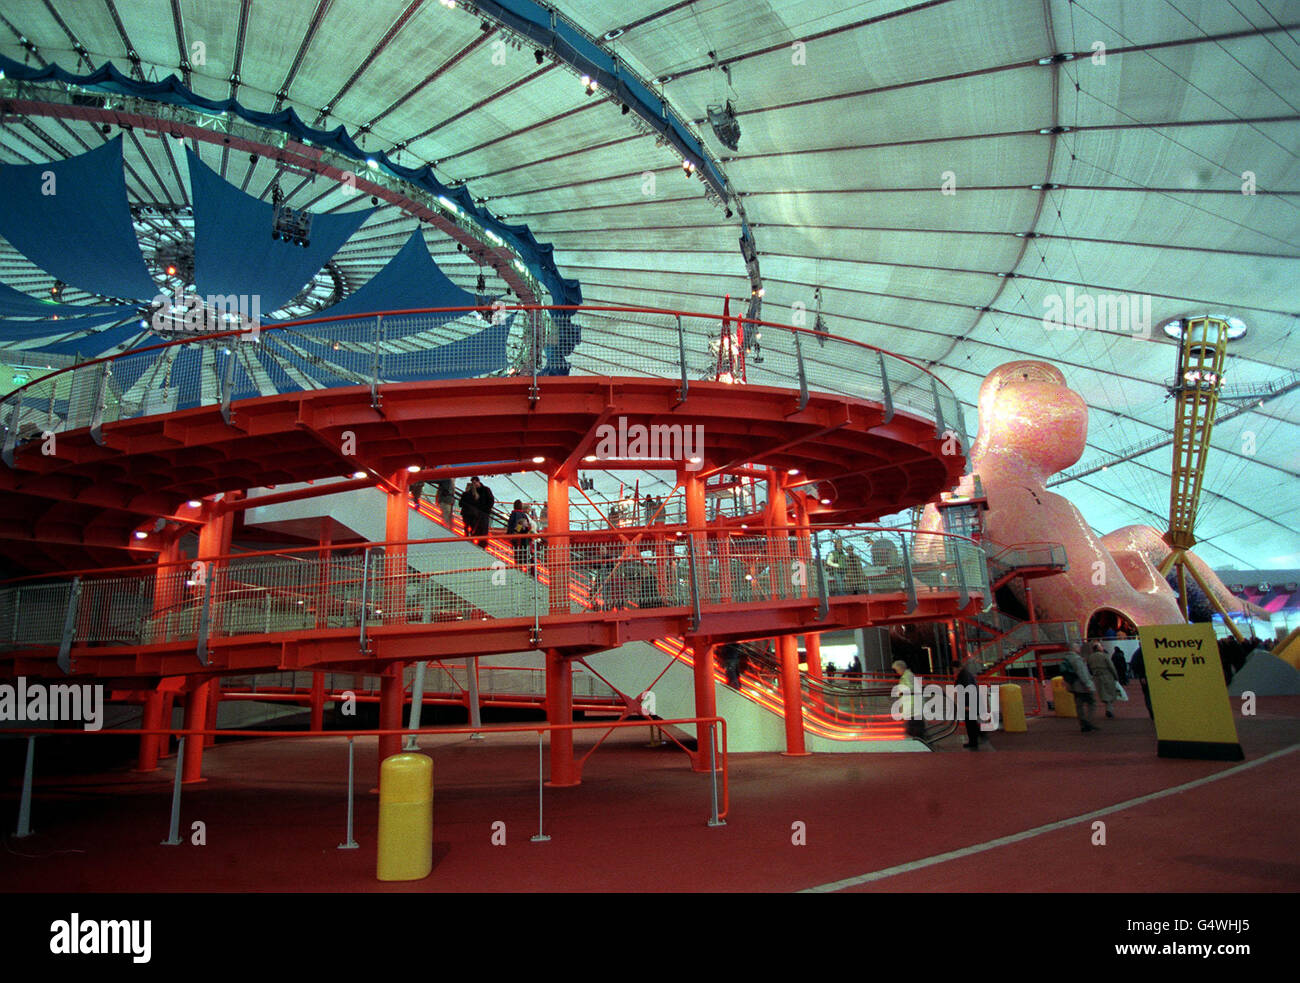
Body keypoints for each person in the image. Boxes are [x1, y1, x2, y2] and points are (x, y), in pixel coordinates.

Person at [1064, 644, 1100, 732]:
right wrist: (1088, 684)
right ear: (1075, 649)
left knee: (1079, 705)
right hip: (1081, 686)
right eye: (1078, 647)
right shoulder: (1077, 659)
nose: (1079, 649)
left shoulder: (1066, 659)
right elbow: (1082, 673)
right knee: (1092, 703)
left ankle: (1082, 723)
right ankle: (1088, 722)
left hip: (1073, 686)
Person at [954, 656, 984, 749]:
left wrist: (966, 705)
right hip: (970, 702)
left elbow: (967, 690)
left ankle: (974, 741)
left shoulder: (963, 675)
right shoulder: (965, 674)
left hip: (969, 703)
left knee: (970, 723)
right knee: (971, 722)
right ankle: (976, 737)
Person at [1086, 641, 1120, 718]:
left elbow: (1089, 668)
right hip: (1107, 676)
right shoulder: (1104, 656)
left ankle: (1109, 708)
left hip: (1097, 677)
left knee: (1103, 693)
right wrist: (1116, 676)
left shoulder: (1090, 657)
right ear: (1098, 648)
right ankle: (1109, 709)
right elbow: (1111, 667)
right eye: (1101, 646)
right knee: (1110, 692)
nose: (1102, 647)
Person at [893, 658, 925, 739]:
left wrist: (901, 691)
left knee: (913, 724)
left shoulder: (907, 676)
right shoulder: (908, 675)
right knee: (915, 723)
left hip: (912, 704)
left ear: (901, 668)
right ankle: (920, 739)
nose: (897, 672)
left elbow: (911, 687)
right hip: (912, 704)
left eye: (897, 670)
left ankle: (919, 740)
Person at [459, 476, 494, 548]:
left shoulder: (484, 490)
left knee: (480, 530)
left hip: (481, 513)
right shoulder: (482, 490)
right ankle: (480, 544)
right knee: (478, 530)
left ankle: (480, 544)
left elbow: (490, 501)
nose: (474, 484)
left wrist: (486, 509)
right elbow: (490, 500)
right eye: (473, 483)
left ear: (478, 482)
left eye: (474, 482)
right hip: (478, 514)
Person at [506, 499, 534, 572]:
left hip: (517, 539)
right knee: (524, 553)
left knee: (518, 553)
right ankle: (527, 568)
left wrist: (514, 533)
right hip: (524, 538)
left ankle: (519, 567)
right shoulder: (523, 515)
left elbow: (516, 525)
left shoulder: (514, 514)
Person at [1129, 645, 1153, 718]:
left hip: (1144, 676)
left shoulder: (1138, 652)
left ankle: (1151, 710)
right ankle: (1152, 710)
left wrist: (1140, 675)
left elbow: (1134, 664)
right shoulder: (1143, 651)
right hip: (1148, 676)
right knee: (1149, 694)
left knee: (1147, 694)